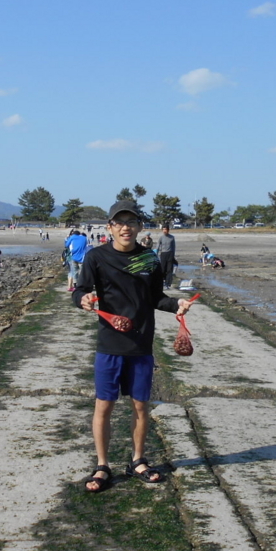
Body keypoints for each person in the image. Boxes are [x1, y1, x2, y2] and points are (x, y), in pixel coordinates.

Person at [72, 200, 194, 493]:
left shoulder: (149, 258)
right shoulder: (97, 257)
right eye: (119, 222)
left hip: (140, 345)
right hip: (109, 344)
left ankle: (138, 460)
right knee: (104, 406)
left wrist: (175, 304)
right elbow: (80, 290)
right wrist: (84, 300)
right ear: (110, 227)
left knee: (141, 406)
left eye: (131, 222)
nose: (126, 227)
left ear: (139, 227)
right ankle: (102, 465)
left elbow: (155, 298)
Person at [157, 223, 176, 288]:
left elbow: (173, 247)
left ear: (168, 230)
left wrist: (173, 255)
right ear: (162, 230)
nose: (165, 231)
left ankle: (168, 283)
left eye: (166, 229)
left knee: (169, 269)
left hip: (170, 254)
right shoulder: (161, 238)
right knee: (162, 269)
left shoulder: (172, 237)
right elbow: (157, 246)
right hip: (163, 254)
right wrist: (156, 254)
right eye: (163, 229)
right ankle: (162, 281)